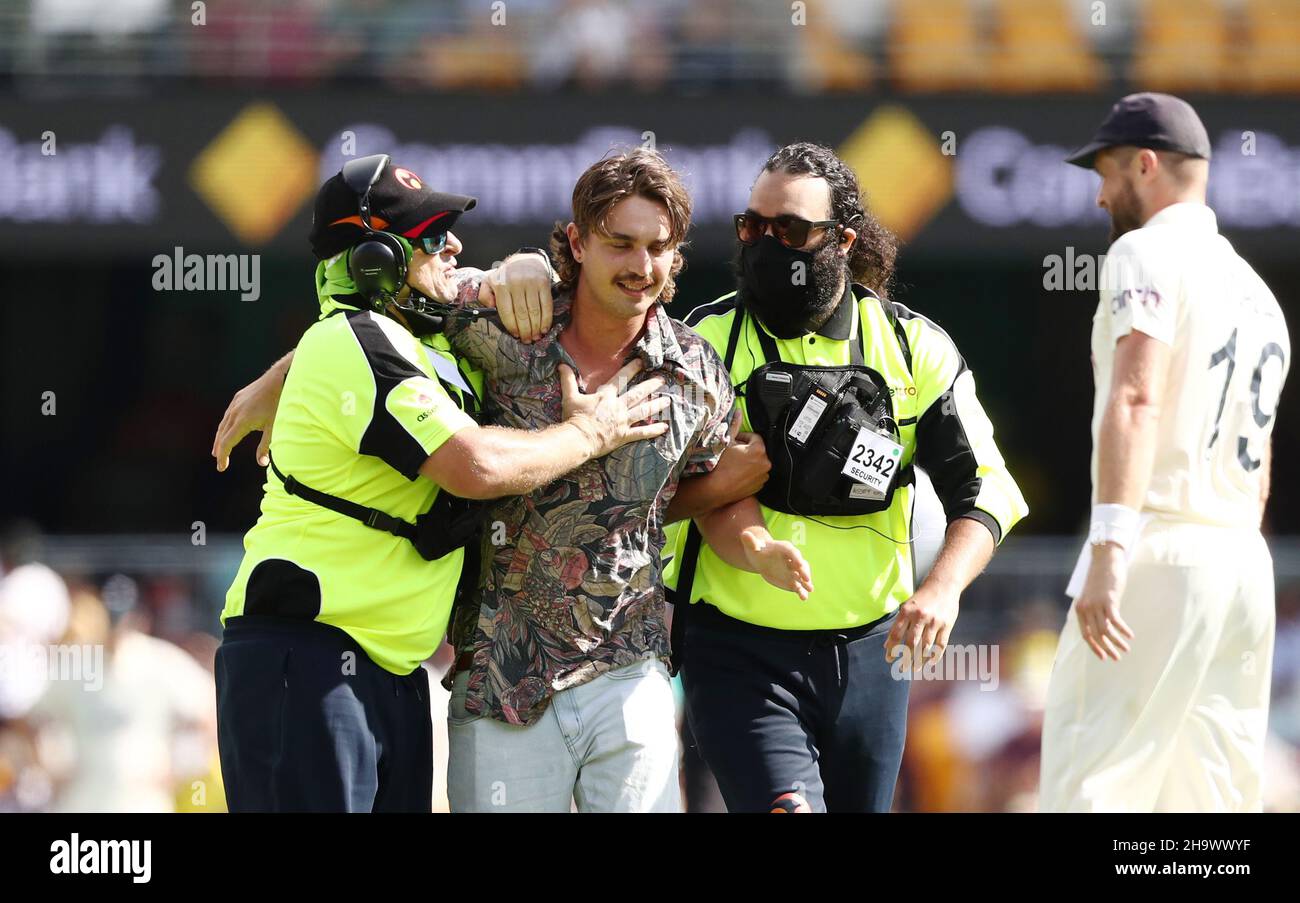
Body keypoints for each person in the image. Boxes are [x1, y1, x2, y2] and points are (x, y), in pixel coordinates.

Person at [214, 149, 811, 813]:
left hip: (558, 667)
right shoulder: (492, 324)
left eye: (658, 246)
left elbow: (391, 325)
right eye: (620, 243)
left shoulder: (692, 368)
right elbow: (441, 420)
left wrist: (750, 534)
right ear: (579, 243)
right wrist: (280, 374)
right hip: (446, 674)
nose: (641, 265)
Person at [662, 142, 1028, 812]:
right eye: (754, 225)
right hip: (739, 651)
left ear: (841, 240)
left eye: (792, 230)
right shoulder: (703, 340)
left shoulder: (914, 346)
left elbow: (987, 488)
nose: (768, 242)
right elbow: (667, 492)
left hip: (871, 652)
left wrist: (942, 591)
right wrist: (756, 548)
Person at [1040, 93, 1291, 812]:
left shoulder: (1142, 251)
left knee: (1091, 784)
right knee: (1208, 807)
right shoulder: (1257, 290)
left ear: (1146, 164)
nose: (1099, 191)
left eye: (1109, 171)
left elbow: (1136, 398)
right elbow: (1263, 456)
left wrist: (1111, 547)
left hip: (1160, 547)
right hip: (1243, 561)